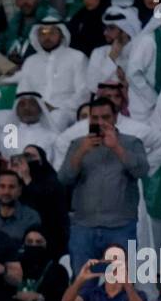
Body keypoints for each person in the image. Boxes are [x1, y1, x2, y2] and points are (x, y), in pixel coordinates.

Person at [57, 98, 150, 275]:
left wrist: (116, 147)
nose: (99, 122)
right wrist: (81, 152)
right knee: (83, 287)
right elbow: (64, 178)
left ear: (115, 117)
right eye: (94, 118)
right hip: (84, 227)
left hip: (121, 227)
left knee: (121, 286)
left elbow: (141, 171)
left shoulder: (132, 143)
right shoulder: (77, 144)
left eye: (105, 117)